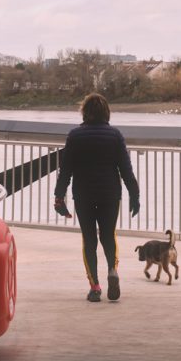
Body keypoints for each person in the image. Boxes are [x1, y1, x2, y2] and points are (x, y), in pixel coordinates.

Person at [53, 93, 139, 302]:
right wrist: (134, 195)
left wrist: (59, 197)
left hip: (83, 194)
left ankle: (95, 287)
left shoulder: (75, 136)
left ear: (85, 112)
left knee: (89, 240)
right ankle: (112, 270)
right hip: (110, 194)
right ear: (106, 112)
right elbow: (126, 169)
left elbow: (66, 170)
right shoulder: (115, 135)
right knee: (108, 235)